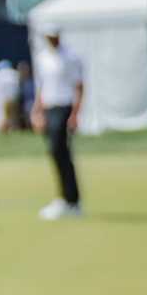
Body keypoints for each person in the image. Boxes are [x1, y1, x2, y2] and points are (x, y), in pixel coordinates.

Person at [31, 27, 85, 219]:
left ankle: (71, 200)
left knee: (60, 151)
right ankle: (67, 199)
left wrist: (76, 114)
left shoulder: (71, 56)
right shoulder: (43, 58)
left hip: (64, 107)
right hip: (49, 107)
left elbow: (79, 86)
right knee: (56, 152)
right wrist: (37, 111)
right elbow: (41, 86)